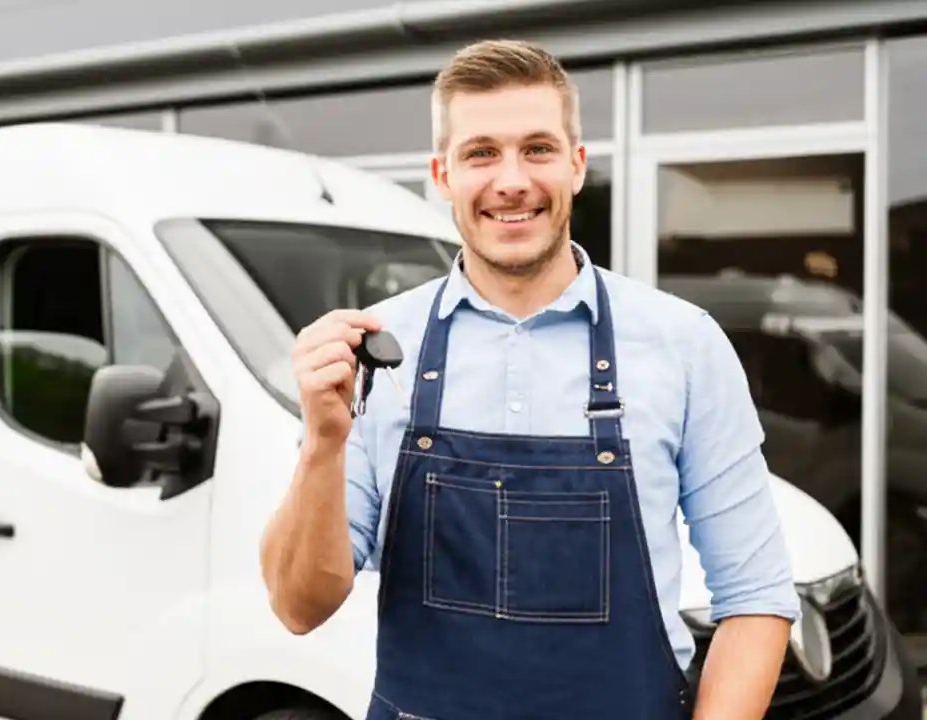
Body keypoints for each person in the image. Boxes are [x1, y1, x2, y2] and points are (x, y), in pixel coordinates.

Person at [258, 39, 800, 720]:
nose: (510, 179)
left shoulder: (683, 344)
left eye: (537, 149)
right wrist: (323, 444)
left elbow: (756, 598)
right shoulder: (375, 350)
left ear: (576, 166)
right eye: (481, 153)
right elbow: (298, 606)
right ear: (442, 174)